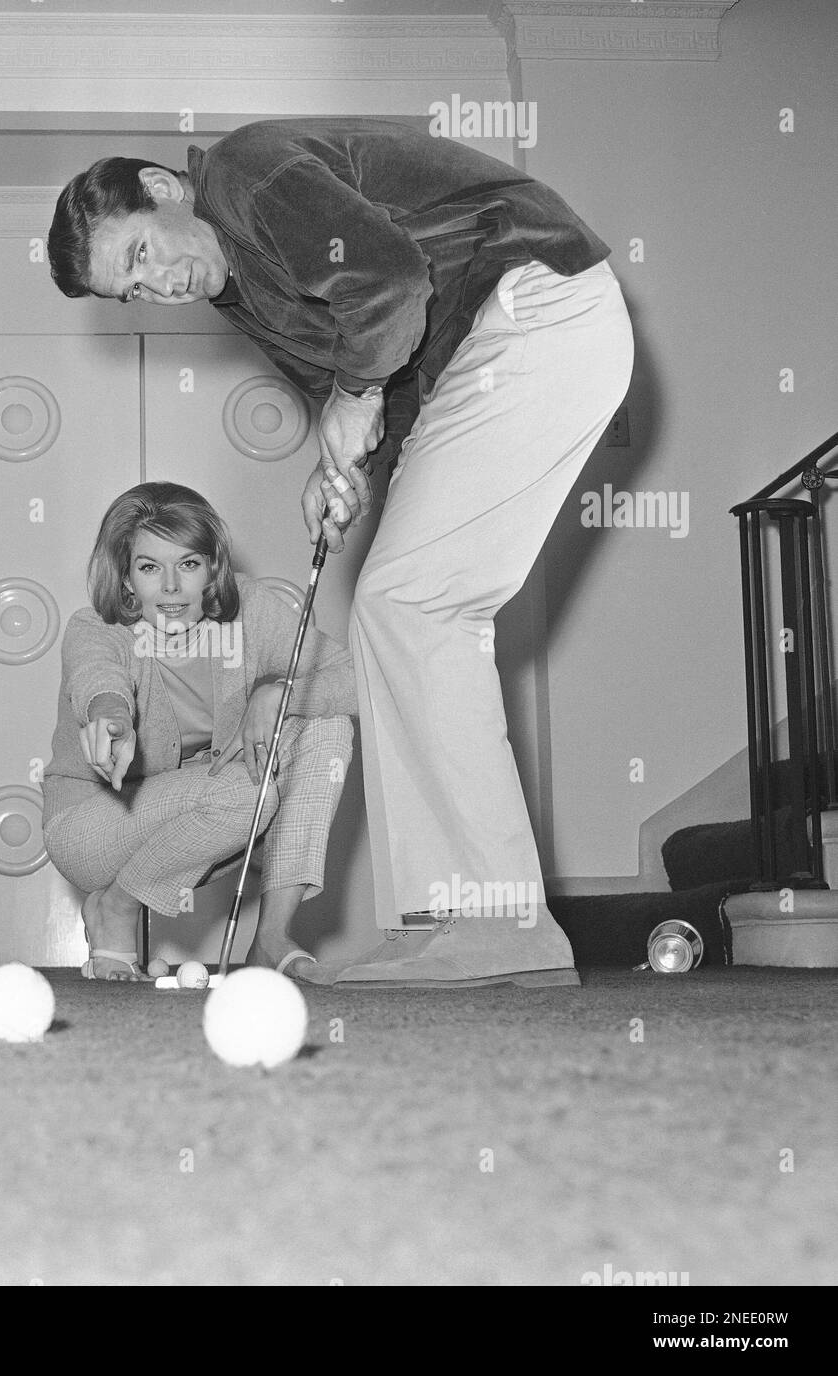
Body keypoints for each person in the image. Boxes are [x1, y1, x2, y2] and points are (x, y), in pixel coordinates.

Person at [48, 118, 634, 988]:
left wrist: (355, 399)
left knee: (409, 605)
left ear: (165, 191)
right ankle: (442, 918)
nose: (155, 287)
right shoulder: (240, 294)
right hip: (480, 357)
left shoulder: (246, 173)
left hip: (530, 306)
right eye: (131, 293)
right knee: (392, 606)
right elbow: (368, 405)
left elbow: (391, 283)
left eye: (139, 256)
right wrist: (344, 477)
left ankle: (500, 920)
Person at [42, 482, 356, 983]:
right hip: (94, 822)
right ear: (125, 579)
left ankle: (270, 940)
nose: (170, 588)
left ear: (213, 568)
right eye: (149, 568)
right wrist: (111, 718)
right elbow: (96, 680)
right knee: (249, 790)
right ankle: (117, 908)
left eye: (188, 564)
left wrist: (281, 691)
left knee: (327, 723)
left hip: (212, 814)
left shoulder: (249, 609)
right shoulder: (96, 628)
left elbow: (354, 678)